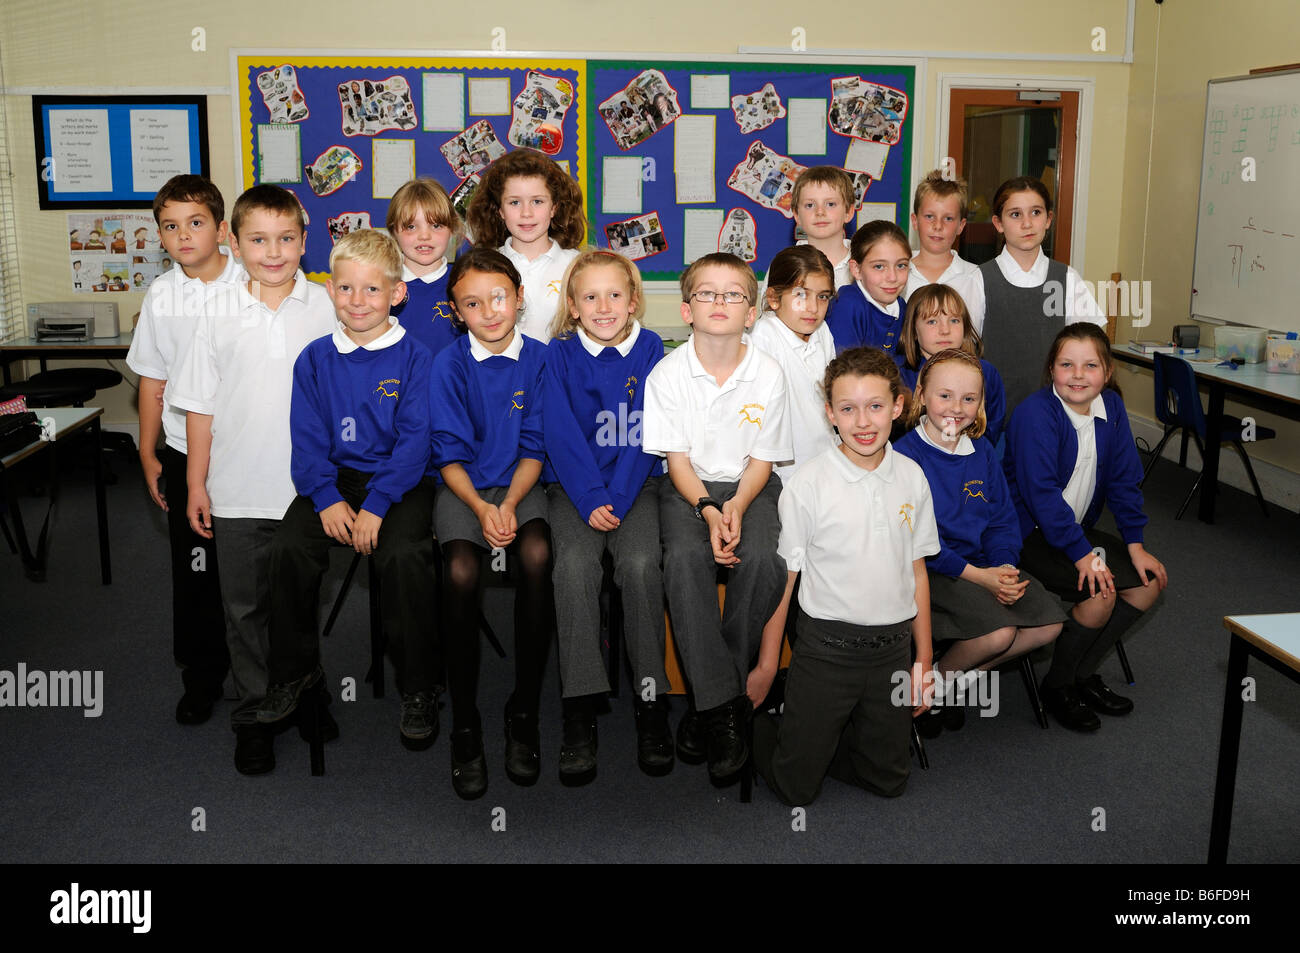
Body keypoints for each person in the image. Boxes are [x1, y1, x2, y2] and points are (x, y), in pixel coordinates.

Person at [170, 184, 336, 775]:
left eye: (286, 239)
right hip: (236, 488)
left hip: (309, 491)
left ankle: (304, 691)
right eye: (259, 240)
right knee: (243, 609)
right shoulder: (212, 314)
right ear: (233, 243)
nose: (274, 251)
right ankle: (255, 716)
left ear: (304, 241)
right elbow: (198, 407)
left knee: (298, 604)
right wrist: (195, 485)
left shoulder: (326, 306)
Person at [254, 229, 440, 752]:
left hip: (400, 483)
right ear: (330, 289)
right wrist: (327, 498)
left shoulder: (416, 359)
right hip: (334, 481)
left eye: (373, 290)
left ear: (396, 294)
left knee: (404, 557)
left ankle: (420, 685)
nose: (358, 302)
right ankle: (295, 674)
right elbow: (307, 438)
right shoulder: (315, 358)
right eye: (346, 289)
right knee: (289, 549)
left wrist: (377, 505)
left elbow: (414, 441)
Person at [751, 347, 939, 805]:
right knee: (796, 790)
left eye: (876, 406)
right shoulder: (808, 485)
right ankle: (752, 729)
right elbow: (787, 581)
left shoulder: (912, 477)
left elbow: (917, 571)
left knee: (889, 782)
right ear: (830, 414)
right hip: (825, 652)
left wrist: (924, 661)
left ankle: (825, 742)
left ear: (898, 406)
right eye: (848, 409)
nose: (863, 422)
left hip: (890, 652)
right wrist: (767, 664)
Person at [642, 252, 791, 783]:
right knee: (683, 559)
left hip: (752, 487)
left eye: (734, 294)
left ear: (752, 313)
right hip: (688, 490)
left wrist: (737, 505)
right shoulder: (667, 373)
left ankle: (709, 700)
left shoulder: (768, 373)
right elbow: (676, 463)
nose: (721, 302)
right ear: (686, 310)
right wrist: (708, 508)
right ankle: (725, 710)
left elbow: (763, 461)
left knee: (767, 560)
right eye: (707, 293)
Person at [542, 248, 670, 784]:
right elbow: (560, 432)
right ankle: (581, 707)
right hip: (573, 489)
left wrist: (615, 498)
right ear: (572, 305)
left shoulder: (652, 350)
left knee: (640, 566)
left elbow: (649, 430)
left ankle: (650, 703)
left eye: (614, 294)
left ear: (633, 300)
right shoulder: (558, 353)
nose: (603, 305)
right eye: (589, 296)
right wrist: (591, 497)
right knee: (573, 568)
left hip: (634, 487)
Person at [429, 247, 553, 799]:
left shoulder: (542, 359)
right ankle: (463, 721)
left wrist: (508, 504)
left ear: (520, 297)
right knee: (458, 571)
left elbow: (535, 445)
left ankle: (523, 708)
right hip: (465, 487)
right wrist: (482, 509)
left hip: (523, 483)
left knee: (536, 556)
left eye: (499, 297)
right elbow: (448, 455)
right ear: (457, 311)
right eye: (472, 303)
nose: (489, 311)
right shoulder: (448, 363)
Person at [1004, 323, 1168, 731]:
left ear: (1107, 372)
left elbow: (1125, 482)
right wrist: (1083, 557)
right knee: (1101, 593)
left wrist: (1135, 544)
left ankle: (1081, 672)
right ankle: (1057, 686)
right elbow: (1041, 498)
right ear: (1052, 370)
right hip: (1026, 535)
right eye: (1067, 364)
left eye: (1090, 365)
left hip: (1070, 531)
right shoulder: (1035, 415)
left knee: (1149, 583)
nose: (1078, 375)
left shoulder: (1111, 409)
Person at [894, 348, 1063, 737]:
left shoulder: (982, 451)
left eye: (969, 398)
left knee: (1049, 624)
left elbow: (1002, 519)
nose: (957, 407)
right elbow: (919, 546)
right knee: (1000, 634)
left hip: (985, 565)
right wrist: (980, 577)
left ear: (981, 403)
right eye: (945, 395)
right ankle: (933, 683)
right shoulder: (905, 457)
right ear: (921, 393)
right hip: (933, 572)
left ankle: (945, 687)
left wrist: (1003, 566)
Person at [125, 174, 241, 727]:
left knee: (248, 568)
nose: (183, 235)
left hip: (242, 451)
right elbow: (150, 381)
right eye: (170, 227)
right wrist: (147, 451)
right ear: (160, 237)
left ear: (221, 229)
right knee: (194, 568)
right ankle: (202, 676)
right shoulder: (161, 294)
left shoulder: (251, 283)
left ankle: (264, 673)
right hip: (177, 447)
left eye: (195, 223)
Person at [979, 176, 1106, 418]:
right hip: (996, 415)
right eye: (1015, 214)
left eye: (1035, 213)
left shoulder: (1067, 278)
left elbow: (1090, 347)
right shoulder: (980, 280)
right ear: (998, 223)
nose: (1027, 223)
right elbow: (965, 350)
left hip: (1057, 414)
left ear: (1048, 219)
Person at [465, 150, 584, 343]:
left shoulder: (577, 266)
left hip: (562, 372)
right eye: (514, 202)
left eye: (537, 201)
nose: (526, 213)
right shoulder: (481, 268)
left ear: (554, 207)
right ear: (500, 211)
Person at [749, 244, 838, 481]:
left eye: (823, 297)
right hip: (782, 474)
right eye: (801, 294)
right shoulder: (762, 337)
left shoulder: (822, 332)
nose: (813, 308)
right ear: (774, 298)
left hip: (825, 463)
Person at [897, 283, 1007, 447]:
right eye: (932, 321)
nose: (945, 330)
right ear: (913, 330)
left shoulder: (986, 372)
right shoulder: (898, 374)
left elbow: (991, 429)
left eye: (954, 320)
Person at [386, 178, 462, 358]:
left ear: (451, 229)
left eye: (436, 225)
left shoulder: (465, 284)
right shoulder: (380, 286)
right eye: (411, 226)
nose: (425, 236)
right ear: (393, 231)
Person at [904, 169, 986, 334]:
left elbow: (974, 337)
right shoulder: (898, 272)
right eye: (929, 216)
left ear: (961, 226)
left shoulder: (974, 277)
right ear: (915, 221)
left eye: (948, 218)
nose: (938, 226)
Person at [824, 220, 912, 362]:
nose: (892, 277)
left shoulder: (901, 306)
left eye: (901, 265)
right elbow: (847, 373)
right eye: (879, 266)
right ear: (856, 269)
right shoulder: (848, 305)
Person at [789, 166, 857, 288]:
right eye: (810, 205)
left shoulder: (865, 263)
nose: (820, 212)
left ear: (849, 212)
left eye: (830, 204)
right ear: (797, 215)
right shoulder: (785, 264)